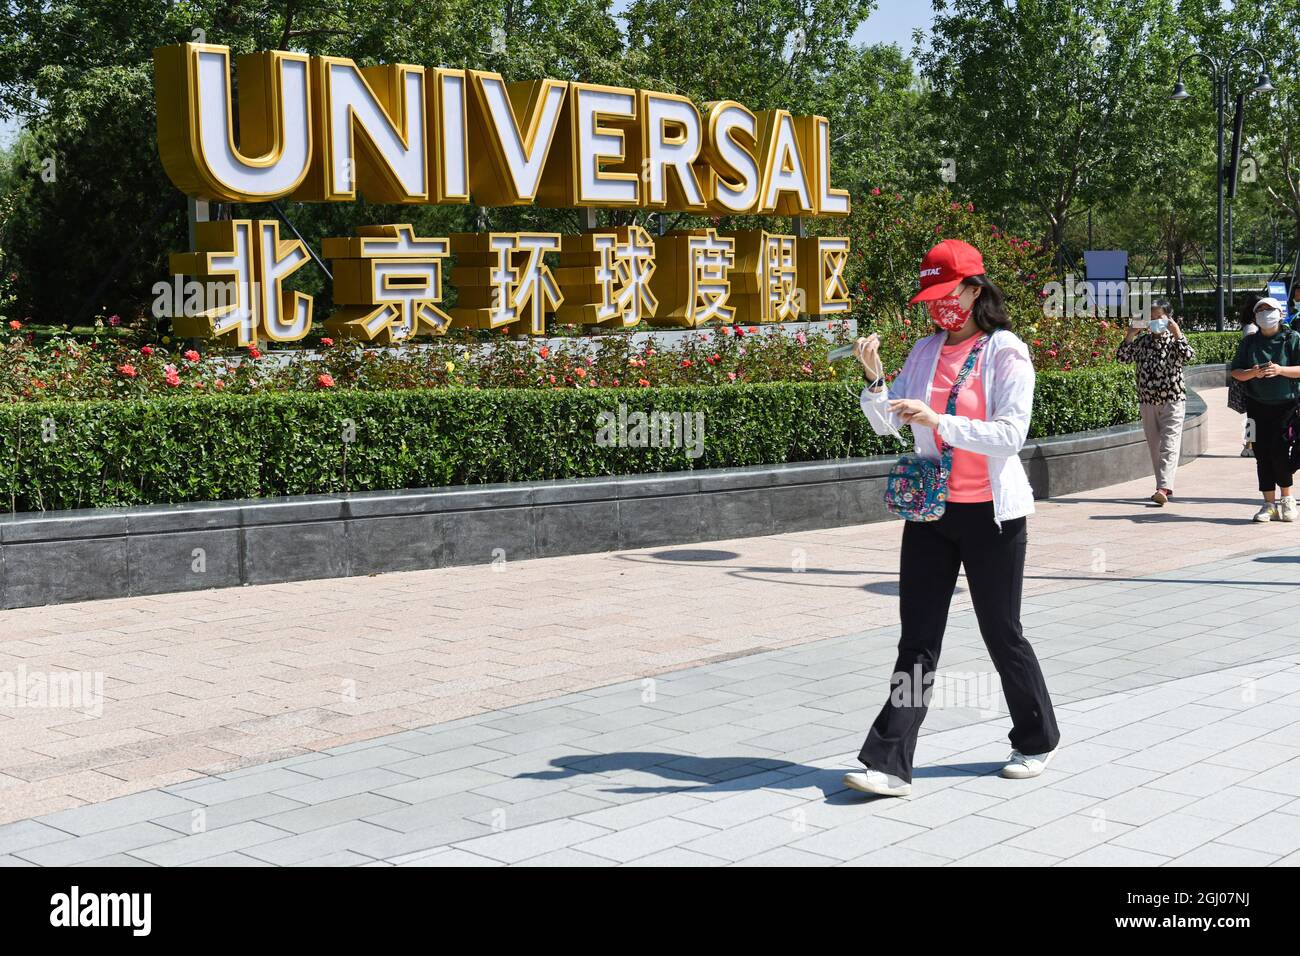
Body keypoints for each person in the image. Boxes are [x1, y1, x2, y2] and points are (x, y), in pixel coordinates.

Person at [843, 238, 1060, 798]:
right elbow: (891, 425)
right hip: (930, 512)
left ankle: (1035, 739)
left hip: (992, 517)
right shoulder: (924, 350)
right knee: (916, 639)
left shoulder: (1006, 351)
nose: (939, 306)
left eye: (948, 293)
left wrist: (939, 421)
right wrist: (874, 381)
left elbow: (1011, 435)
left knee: (1002, 632)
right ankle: (888, 762)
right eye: (931, 296)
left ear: (974, 289)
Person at [1116, 299, 1195, 505]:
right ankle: (1163, 485)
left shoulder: (1175, 340)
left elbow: (1188, 355)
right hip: (1148, 401)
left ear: (1168, 318)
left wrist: (1177, 332)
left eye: (1158, 317)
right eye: (1150, 318)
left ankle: (1163, 487)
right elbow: (1122, 358)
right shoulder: (1142, 342)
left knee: (1169, 444)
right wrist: (1131, 334)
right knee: (1155, 446)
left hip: (1173, 399)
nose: (1154, 321)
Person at [1230, 296, 1300, 522]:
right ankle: (1268, 504)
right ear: (1255, 317)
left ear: (1281, 314)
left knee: (1279, 452)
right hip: (1256, 406)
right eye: (1260, 310)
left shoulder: (1292, 339)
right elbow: (1236, 372)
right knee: (1261, 454)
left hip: (1287, 405)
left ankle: (1287, 499)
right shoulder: (1249, 342)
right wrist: (1253, 373)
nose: (1265, 313)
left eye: (1270, 309)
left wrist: (1280, 370)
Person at [1236, 294, 1262, 458]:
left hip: (1252, 376)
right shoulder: (1252, 329)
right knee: (1252, 416)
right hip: (1252, 378)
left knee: (1252, 416)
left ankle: (1249, 444)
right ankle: (1248, 445)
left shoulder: (1249, 326)